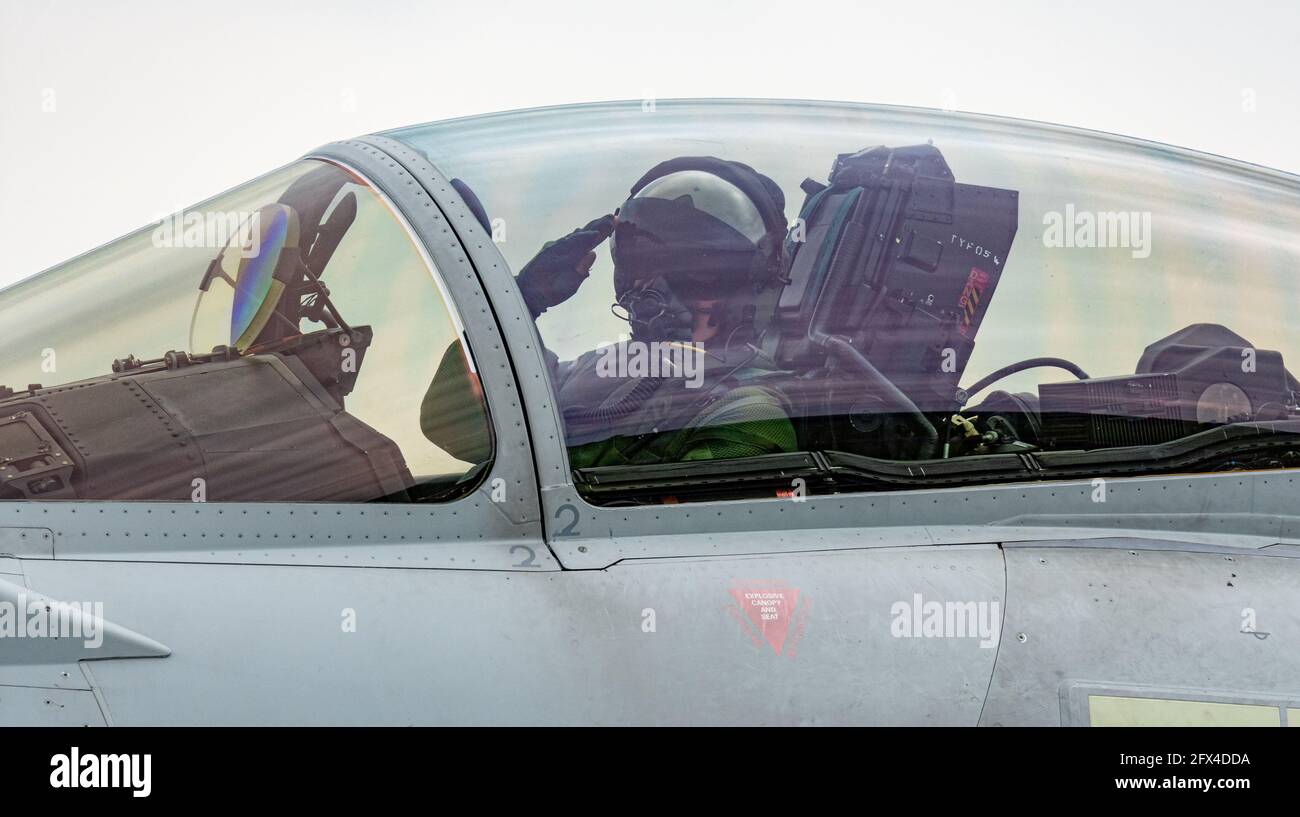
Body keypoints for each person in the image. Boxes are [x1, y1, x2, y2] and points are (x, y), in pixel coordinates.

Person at [422, 157, 798, 468]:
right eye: (640, 267)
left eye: (691, 274)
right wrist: (518, 302)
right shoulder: (595, 374)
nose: (651, 290)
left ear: (744, 285)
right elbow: (451, 424)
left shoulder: (748, 413)